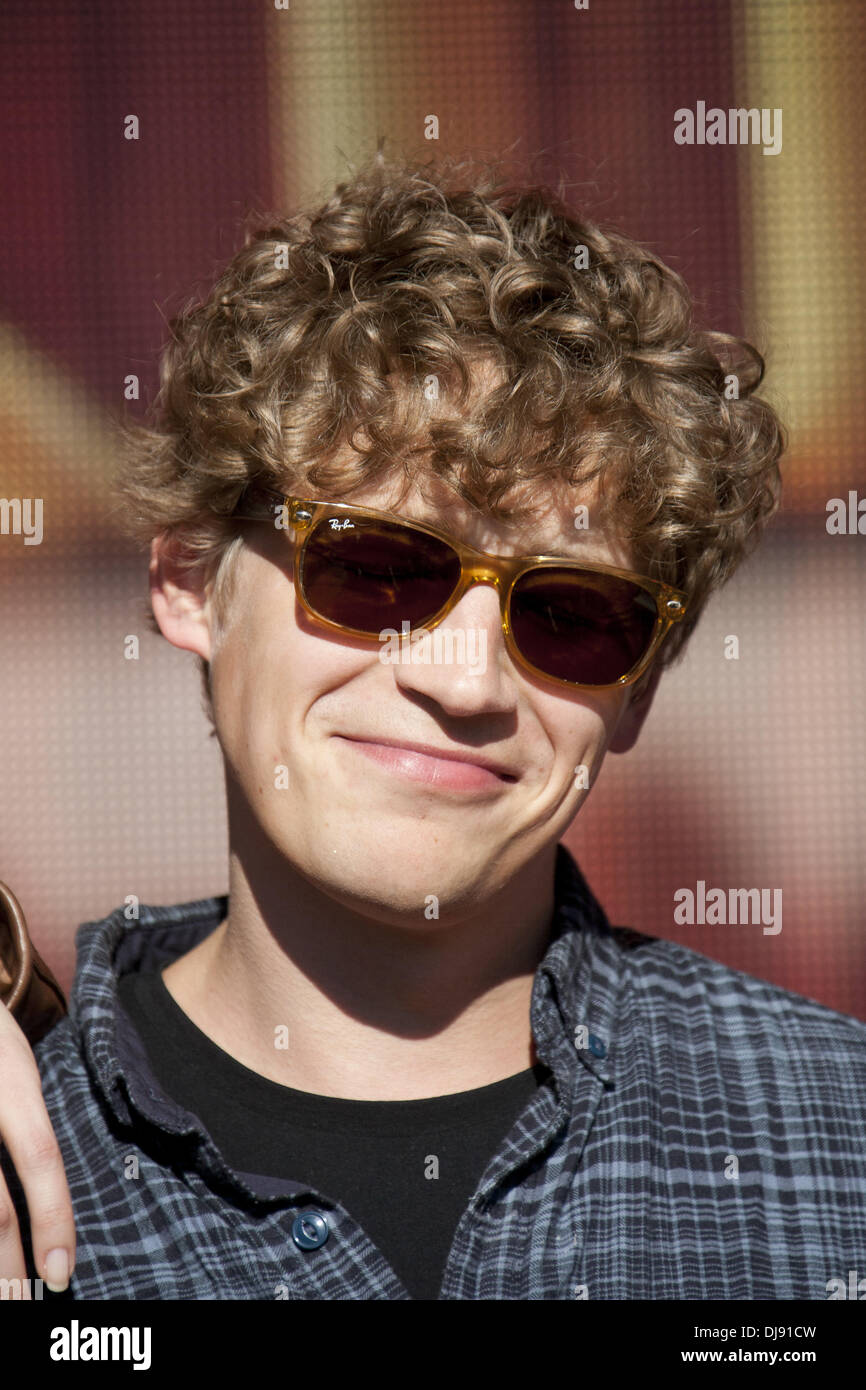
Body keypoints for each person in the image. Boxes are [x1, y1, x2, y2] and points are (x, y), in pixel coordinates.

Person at [1, 152, 864, 1301]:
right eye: (373, 569)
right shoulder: (24, 1145)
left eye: (568, 613)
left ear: (638, 688)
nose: (466, 682)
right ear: (188, 581)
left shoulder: (836, 1138)